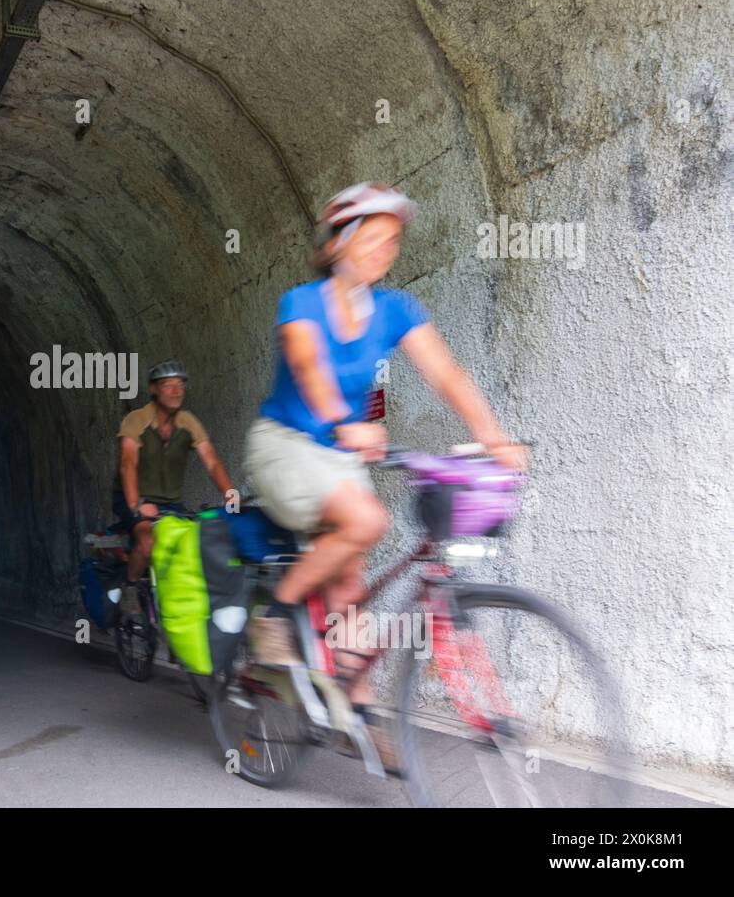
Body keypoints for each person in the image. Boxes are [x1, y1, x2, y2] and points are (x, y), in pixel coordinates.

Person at [244, 182, 527, 760]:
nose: (384, 249)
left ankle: (358, 711)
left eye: (392, 240)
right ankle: (274, 617)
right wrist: (339, 420)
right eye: (372, 236)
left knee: (350, 579)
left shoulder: (396, 310)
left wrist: (493, 438)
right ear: (340, 241)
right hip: (286, 446)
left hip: (342, 457)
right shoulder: (300, 302)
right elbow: (307, 363)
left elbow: (446, 374)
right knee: (367, 521)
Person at [114, 360, 235, 613]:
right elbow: (127, 463)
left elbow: (211, 462)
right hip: (134, 496)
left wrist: (231, 495)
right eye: (168, 385)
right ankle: (130, 587)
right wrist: (136, 504)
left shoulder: (188, 421)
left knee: (192, 545)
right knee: (147, 541)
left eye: (180, 385)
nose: (176, 390)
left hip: (170, 502)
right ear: (154, 390)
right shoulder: (136, 420)